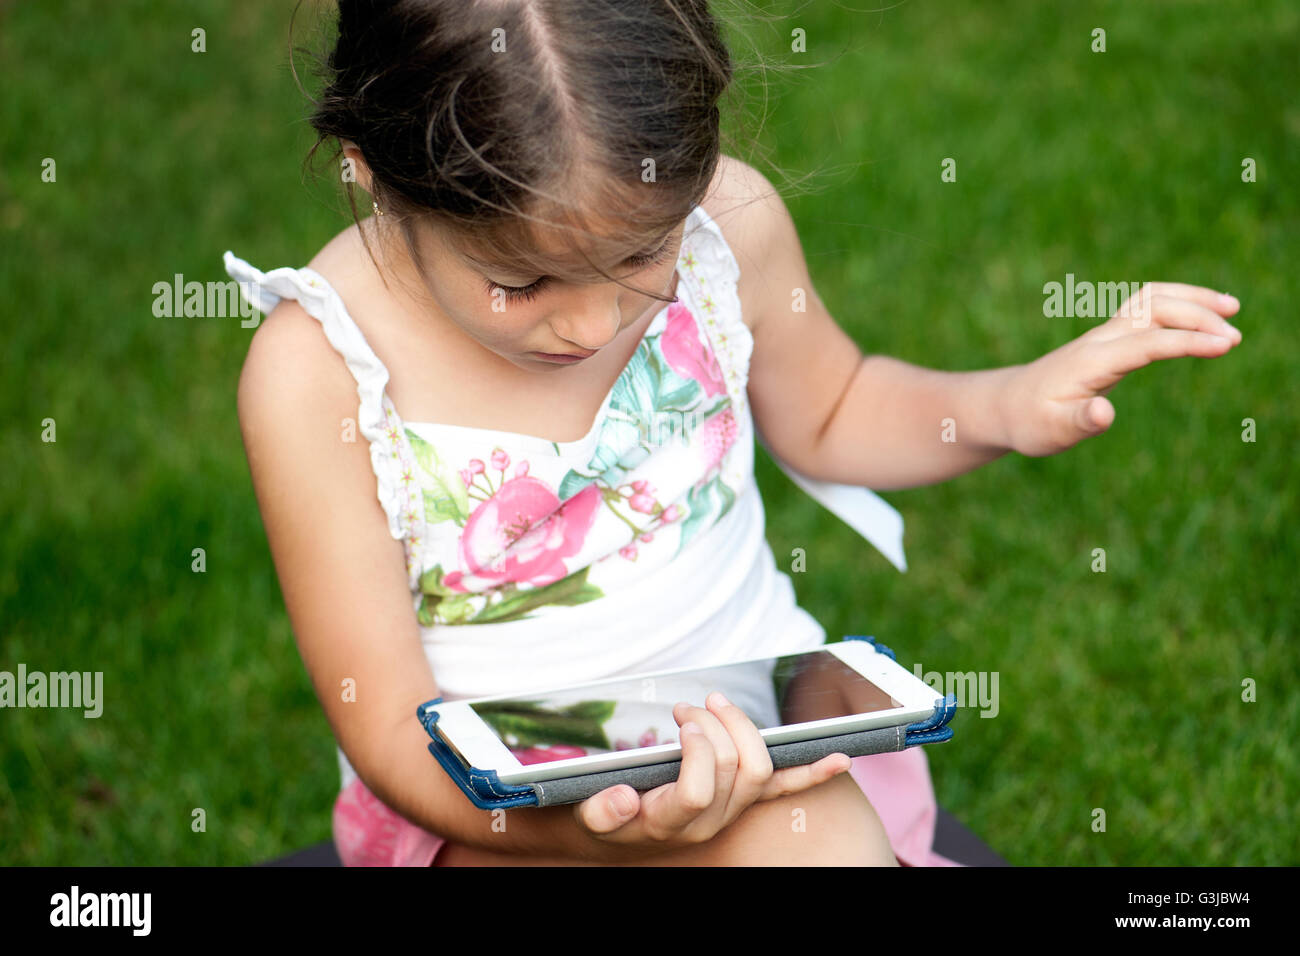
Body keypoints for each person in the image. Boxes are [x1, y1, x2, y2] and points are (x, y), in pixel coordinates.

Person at [227, 0, 1242, 866]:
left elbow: (835, 408)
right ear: (373, 173)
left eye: (639, 257)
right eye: (519, 281)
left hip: (756, 739)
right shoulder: (317, 372)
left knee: (812, 841)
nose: (587, 324)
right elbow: (392, 732)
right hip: (497, 816)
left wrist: (1009, 402)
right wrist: (594, 834)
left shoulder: (730, 226)